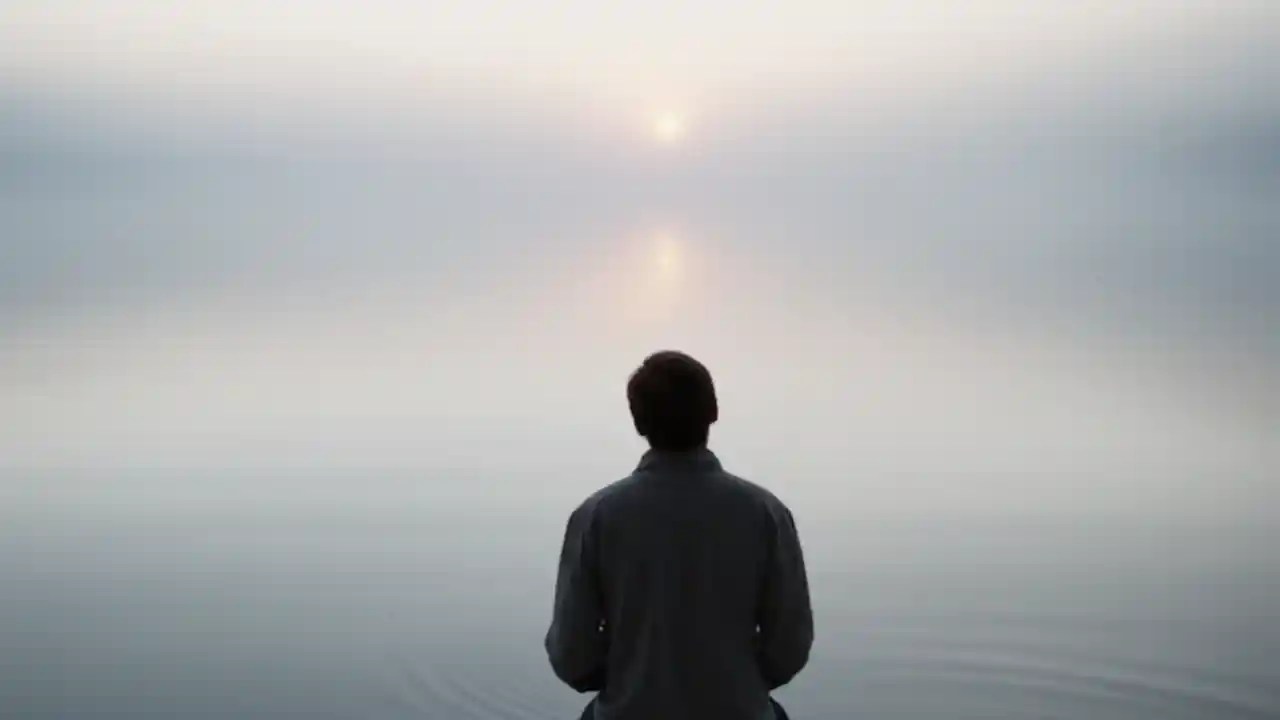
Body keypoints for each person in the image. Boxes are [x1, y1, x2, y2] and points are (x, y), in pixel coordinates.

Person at [545, 351, 814, 719]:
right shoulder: (765, 513)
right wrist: (736, 680)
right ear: (714, 411)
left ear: (639, 423)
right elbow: (790, 646)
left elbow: (571, 654)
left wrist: (632, 675)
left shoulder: (596, 517)